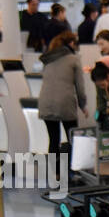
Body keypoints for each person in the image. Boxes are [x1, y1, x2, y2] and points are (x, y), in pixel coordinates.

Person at [36, 30, 86, 160]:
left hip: (45, 103)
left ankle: (55, 174)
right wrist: (83, 105)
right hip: (64, 103)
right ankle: (73, 170)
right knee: (73, 138)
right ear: (71, 43)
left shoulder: (48, 60)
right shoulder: (74, 59)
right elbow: (80, 87)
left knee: (53, 139)